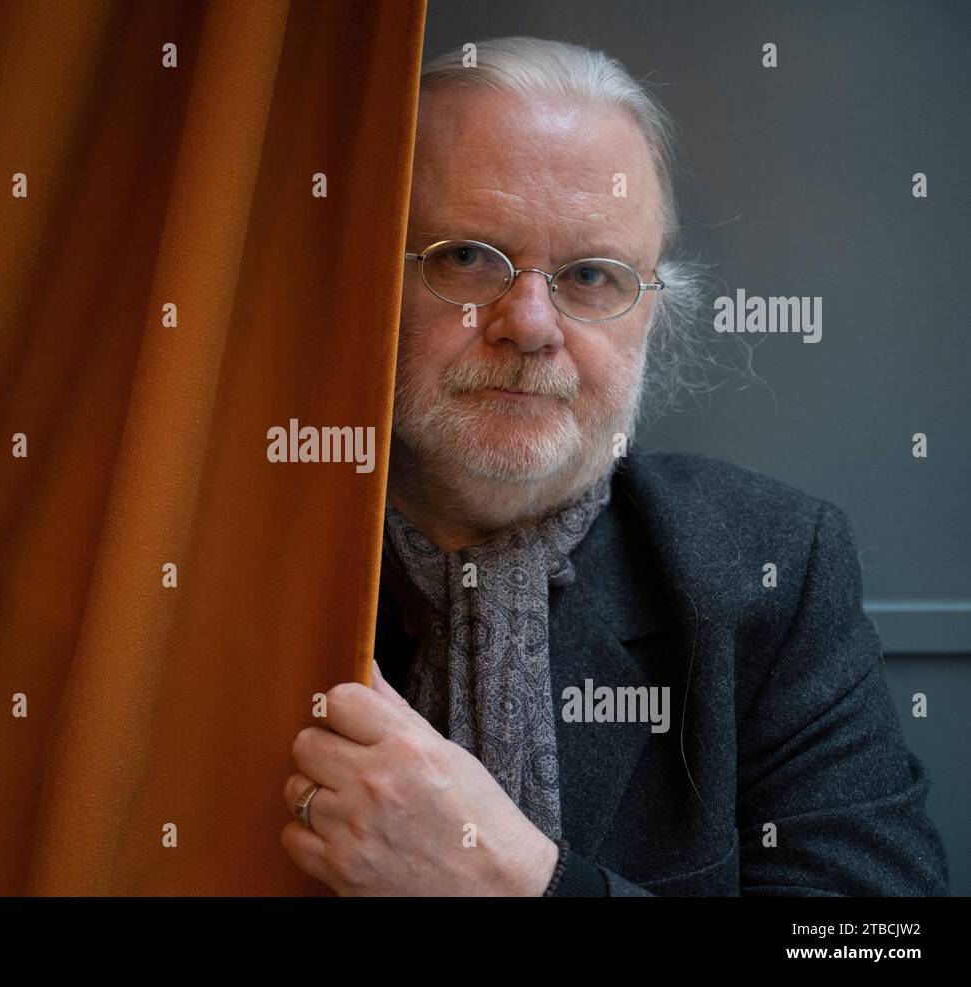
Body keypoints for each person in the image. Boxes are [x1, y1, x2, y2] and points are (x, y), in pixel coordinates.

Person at [279, 36, 950, 896]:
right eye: (467, 257)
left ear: (651, 317)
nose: (528, 323)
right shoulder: (232, 563)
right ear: (370, 279)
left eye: (592, 274)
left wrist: (520, 883)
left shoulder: (773, 565)